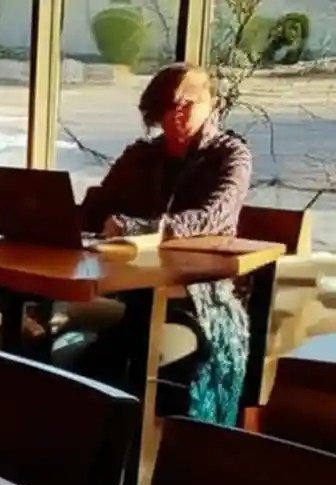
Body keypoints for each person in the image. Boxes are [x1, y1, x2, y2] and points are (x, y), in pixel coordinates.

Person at [78, 62, 253, 426]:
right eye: (169, 105)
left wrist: (139, 227)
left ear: (213, 104)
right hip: (131, 292)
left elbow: (211, 217)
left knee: (127, 360)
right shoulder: (143, 155)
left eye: (189, 103)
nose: (178, 114)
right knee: (77, 361)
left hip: (198, 301)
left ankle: (139, 462)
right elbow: (98, 207)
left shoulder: (230, 155)